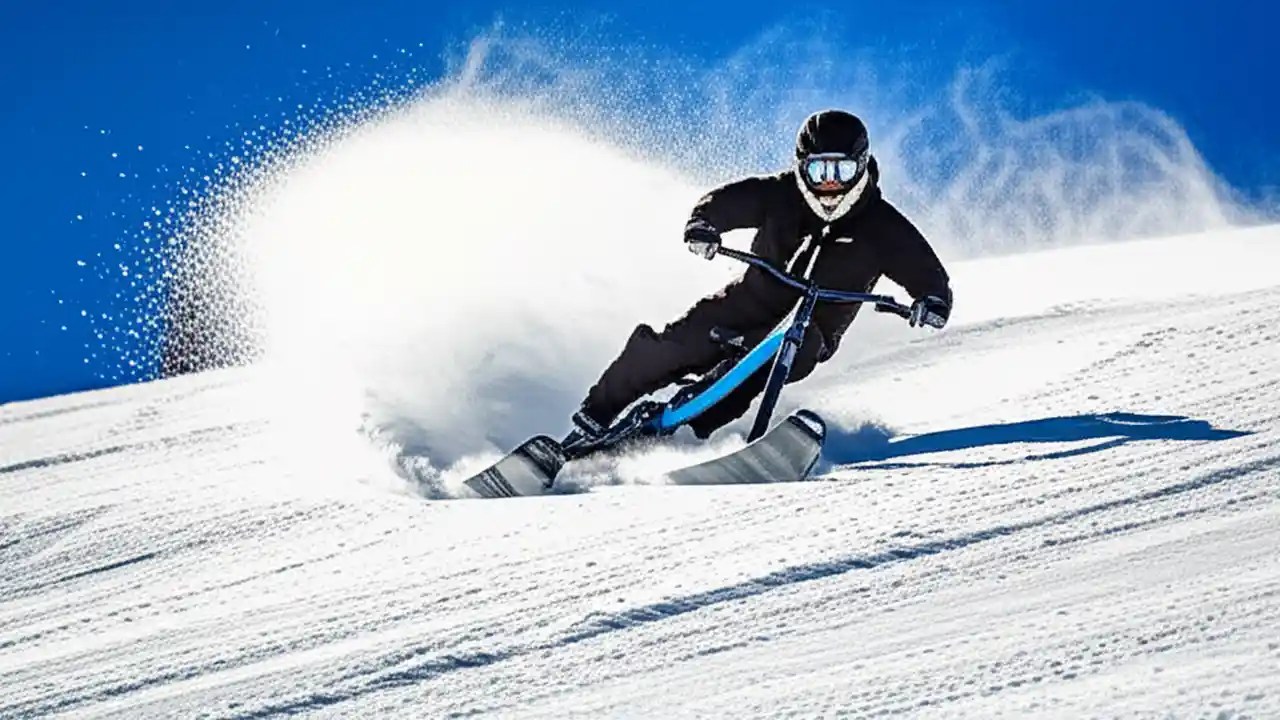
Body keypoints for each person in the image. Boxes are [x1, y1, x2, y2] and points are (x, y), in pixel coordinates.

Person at [571, 109, 953, 441]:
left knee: (767, 363)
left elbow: (927, 273)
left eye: (842, 170)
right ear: (802, 166)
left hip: (810, 330)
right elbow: (724, 203)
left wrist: (932, 301)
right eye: (819, 170)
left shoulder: (882, 226)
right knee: (674, 345)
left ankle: (682, 431)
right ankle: (591, 422)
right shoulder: (781, 194)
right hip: (746, 304)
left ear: (862, 164)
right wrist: (704, 226)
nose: (830, 183)